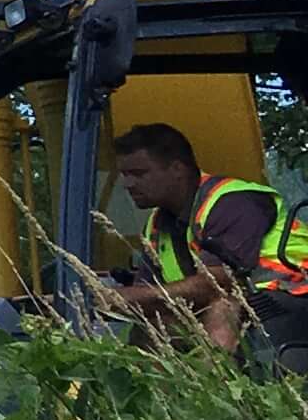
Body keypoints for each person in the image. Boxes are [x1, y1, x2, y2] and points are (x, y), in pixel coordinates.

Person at [108, 122, 308, 359]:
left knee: (223, 308)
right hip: (243, 303)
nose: (128, 184)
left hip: (292, 296)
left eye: (139, 174)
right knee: (152, 326)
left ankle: (221, 389)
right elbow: (145, 292)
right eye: (125, 174)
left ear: (177, 169)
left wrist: (122, 297)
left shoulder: (233, 202)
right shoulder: (158, 225)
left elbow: (217, 283)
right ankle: (148, 393)